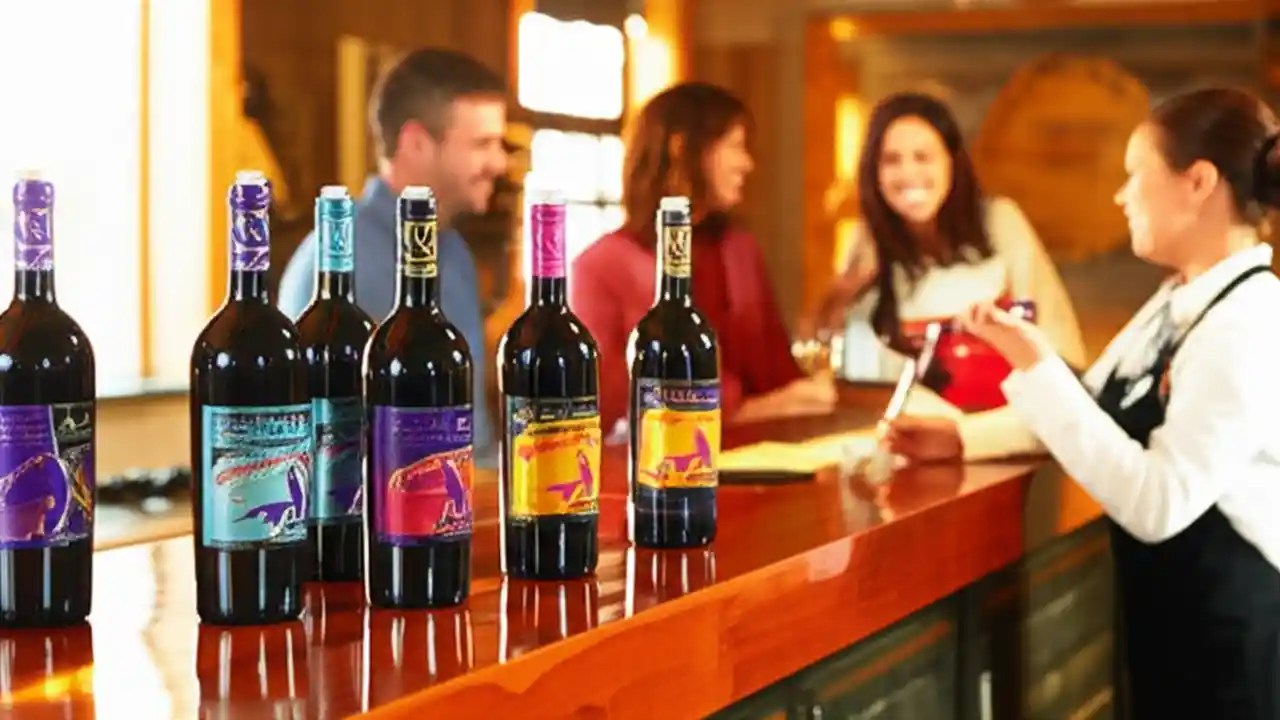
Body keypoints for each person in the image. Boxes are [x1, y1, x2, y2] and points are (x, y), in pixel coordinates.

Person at [890, 87, 1280, 718]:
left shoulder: (1249, 320)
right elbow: (1087, 407)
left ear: (1198, 182)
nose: (1122, 197)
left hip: (1235, 649)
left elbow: (1159, 503)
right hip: (1177, 633)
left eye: (1135, 176)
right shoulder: (1177, 301)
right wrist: (962, 439)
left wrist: (1033, 362)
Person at [277, 48, 507, 461]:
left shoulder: (454, 252)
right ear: (416, 143)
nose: (499, 162)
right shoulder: (332, 267)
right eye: (482, 144)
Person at [571, 82, 835, 436]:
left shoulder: (738, 249)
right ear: (682, 148)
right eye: (736, 147)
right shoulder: (602, 265)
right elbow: (604, 407)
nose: (748, 164)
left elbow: (776, 374)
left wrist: (803, 393)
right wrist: (765, 407)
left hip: (755, 466)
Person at [806, 92, 1086, 393]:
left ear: (952, 161)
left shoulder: (1000, 222)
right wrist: (844, 290)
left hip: (1004, 424)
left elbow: (1063, 352)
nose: (909, 173)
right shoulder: (865, 239)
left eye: (923, 157)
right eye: (891, 160)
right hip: (908, 423)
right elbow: (829, 360)